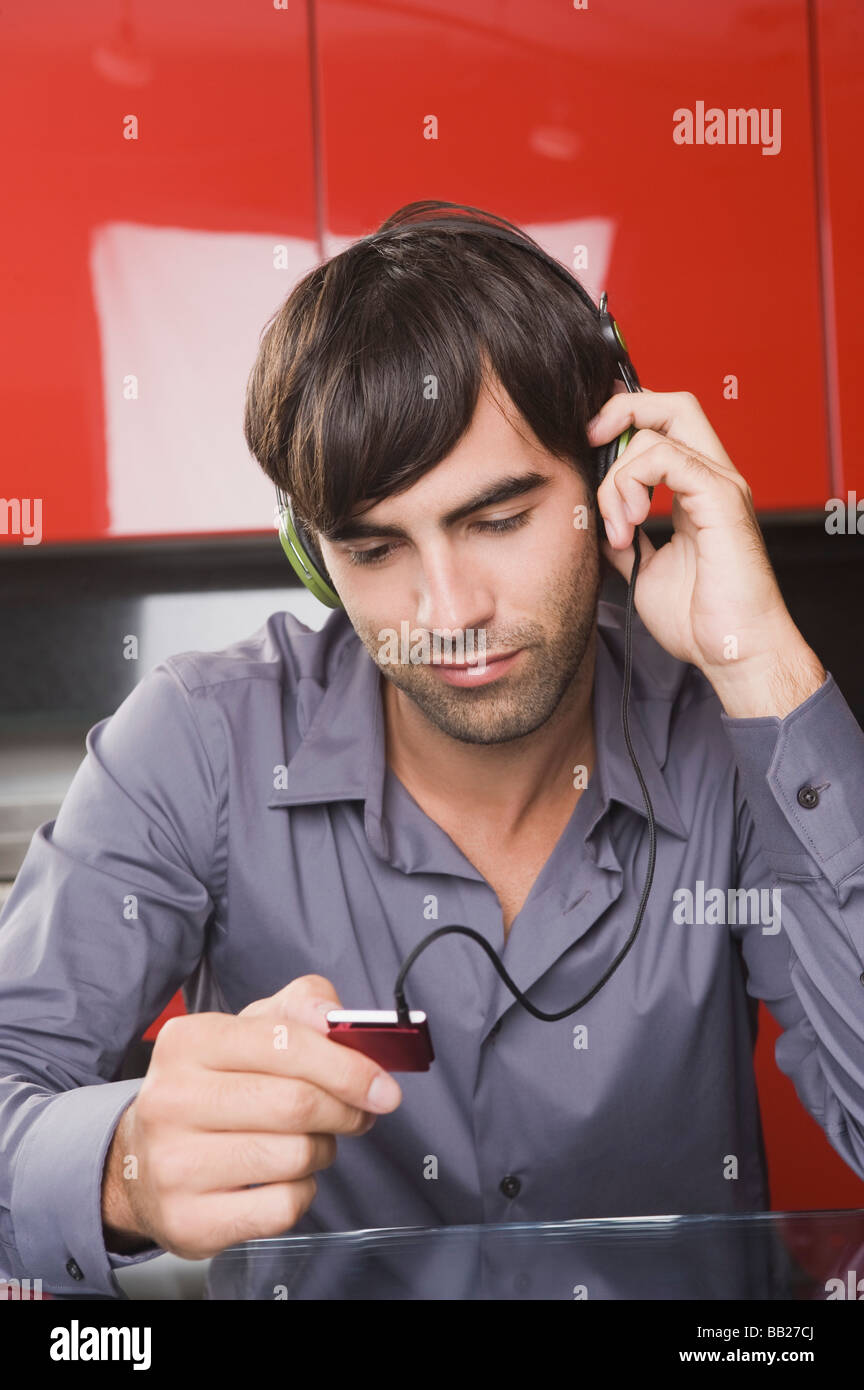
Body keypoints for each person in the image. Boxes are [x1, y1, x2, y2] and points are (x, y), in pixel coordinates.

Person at [1, 203, 862, 1300]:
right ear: (315, 561)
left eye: (498, 518)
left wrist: (766, 659)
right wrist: (121, 1166)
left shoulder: (730, 732)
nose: (446, 610)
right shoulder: (200, 744)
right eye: (374, 547)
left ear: (615, 481)